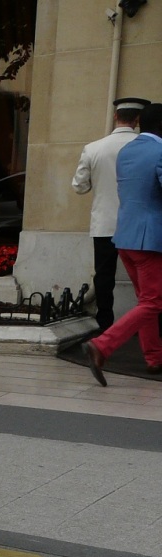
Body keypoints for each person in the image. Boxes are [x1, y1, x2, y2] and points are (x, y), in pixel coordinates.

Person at [82, 102, 162, 384]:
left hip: (125, 236)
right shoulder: (160, 150)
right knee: (153, 302)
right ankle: (102, 345)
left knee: (147, 301)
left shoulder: (128, 151)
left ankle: (154, 358)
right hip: (149, 239)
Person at [72, 96, 147, 331]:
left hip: (105, 223)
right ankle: (149, 326)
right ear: (137, 119)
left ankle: (105, 325)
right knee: (146, 280)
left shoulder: (93, 148)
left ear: (116, 116)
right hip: (138, 224)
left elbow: (79, 186)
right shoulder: (149, 147)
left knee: (104, 278)